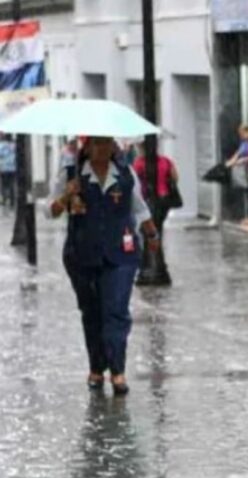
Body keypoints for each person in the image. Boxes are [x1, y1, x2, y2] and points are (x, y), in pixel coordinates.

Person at [46, 136, 160, 395]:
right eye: (96, 144)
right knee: (92, 312)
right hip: (81, 254)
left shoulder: (125, 173)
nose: (102, 149)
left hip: (121, 253)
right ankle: (96, 367)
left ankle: (117, 371)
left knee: (116, 311)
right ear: (87, 148)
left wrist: (152, 234)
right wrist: (66, 195)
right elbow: (49, 211)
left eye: (106, 143)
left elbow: (139, 208)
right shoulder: (70, 174)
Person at [132, 142, 179, 284]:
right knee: (157, 232)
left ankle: (149, 268)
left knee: (148, 234)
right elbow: (175, 177)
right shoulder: (166, 161)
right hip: (163, 201)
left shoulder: (139, 163)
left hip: (147, 201)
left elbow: (134, 183)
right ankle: (158, 266)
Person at [0, 133, 16, 209]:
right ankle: (12, 202)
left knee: (4, 185)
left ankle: (5, 199)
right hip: (13, 168)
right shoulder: (14, 146)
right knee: (11, 185)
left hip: (3, 168)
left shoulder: (1, 146)